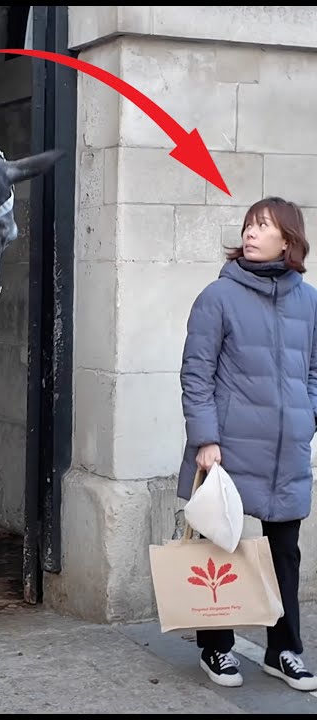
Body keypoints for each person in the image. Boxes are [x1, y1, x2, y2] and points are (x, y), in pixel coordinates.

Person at [178, 196, 317, 692]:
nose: (251, 234)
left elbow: (314, 373)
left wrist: (306, 419)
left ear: (289, 239)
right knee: (221, 547)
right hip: (228, 448)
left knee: (285, 553)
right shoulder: (218, 297)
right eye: (249, 226)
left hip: (287, 451)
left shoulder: (309, 300)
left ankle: (284, 651)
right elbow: (196, 373)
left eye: (263, 226)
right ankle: (215, 647)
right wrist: (206, 439)